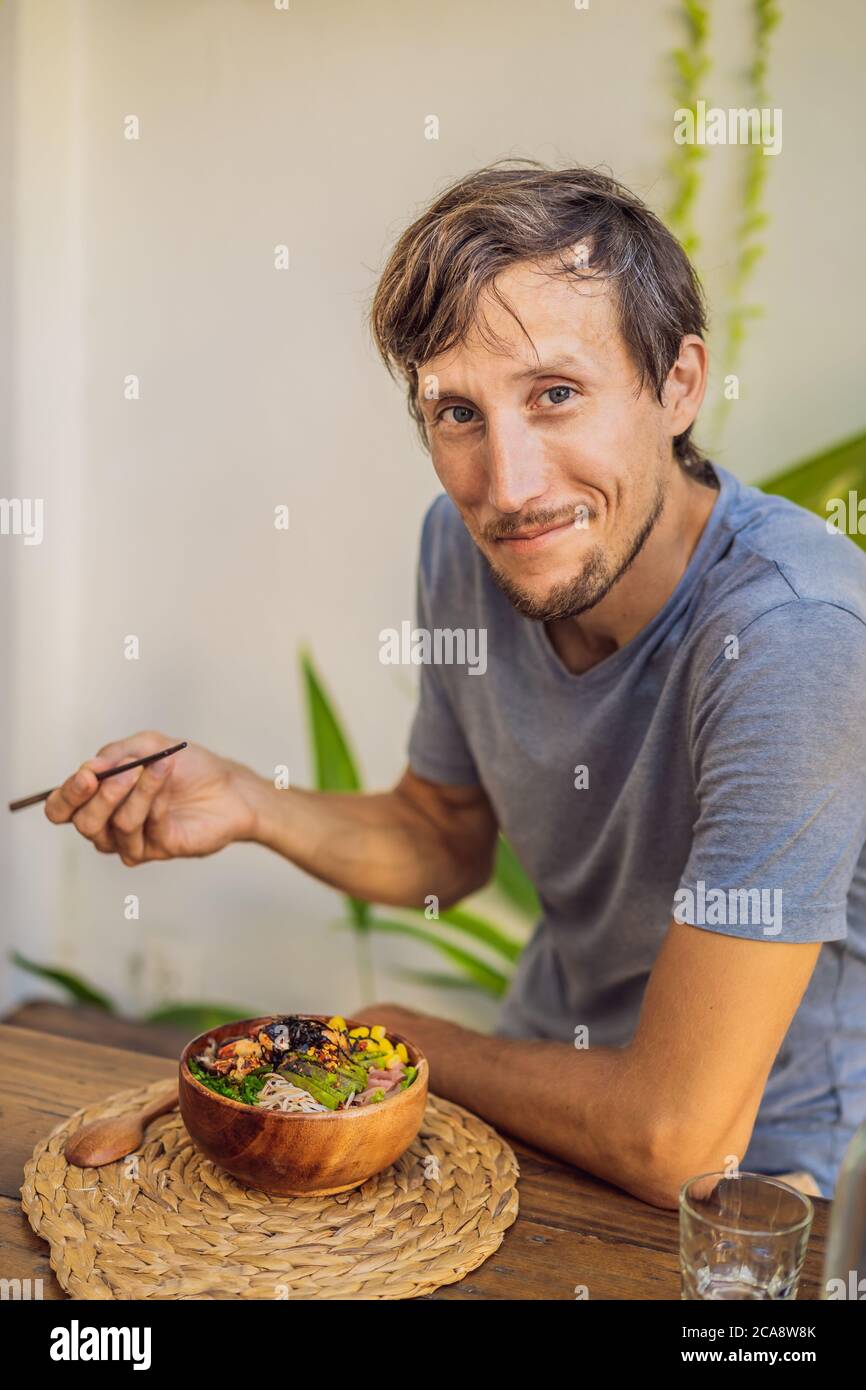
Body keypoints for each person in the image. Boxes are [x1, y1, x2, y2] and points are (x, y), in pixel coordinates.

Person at [45, 162, 866, 1207]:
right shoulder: (463, 542)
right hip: (532, 1094)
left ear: (677, 386)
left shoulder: (791, 631)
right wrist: (251, 801)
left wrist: (397, 1036)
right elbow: (443, 837)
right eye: (456, 413)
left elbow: (677, 1139)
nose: (508, 486)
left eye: (556, 395)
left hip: (755, 1174)